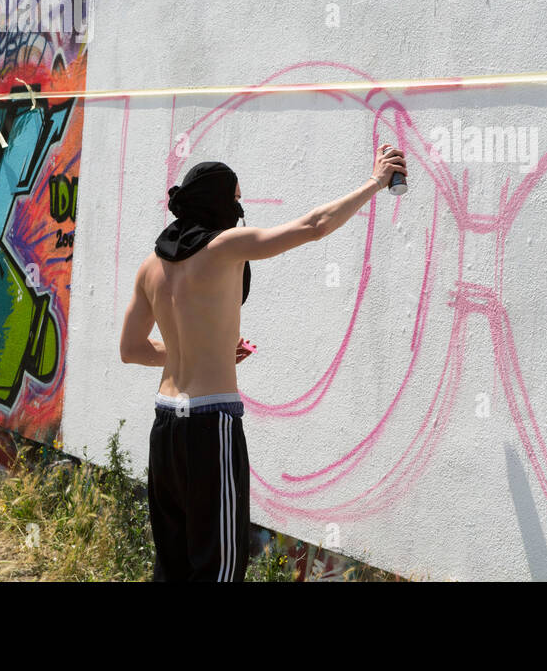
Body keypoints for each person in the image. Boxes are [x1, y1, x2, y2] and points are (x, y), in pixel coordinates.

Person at [118, 144, 407, 581]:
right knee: (219, 566)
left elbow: (132, 350)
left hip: (165, 428)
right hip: (210, 425)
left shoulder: (150, 267)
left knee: (172, 564)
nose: (240, 206)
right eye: (236, 197)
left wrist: (197, 351)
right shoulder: (225, 246)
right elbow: (315, 225)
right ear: (218, 200)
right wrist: (375, 180)